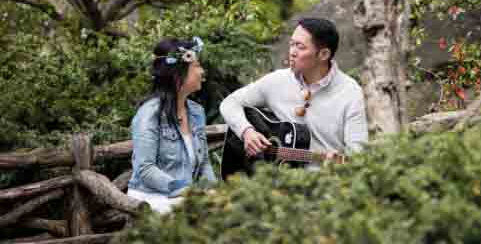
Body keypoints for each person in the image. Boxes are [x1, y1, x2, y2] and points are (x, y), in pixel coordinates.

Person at [220, 18, 367, 164]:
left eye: (300, 47)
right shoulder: (276, 81)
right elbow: (229, 103)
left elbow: (358, 156)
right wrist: (246, 131)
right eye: (292, 44)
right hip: (273, 181)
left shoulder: (350, 92)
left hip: (325, 181)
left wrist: (340, 166)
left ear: (323, 54)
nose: (292, 52)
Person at [127, 37, 217, 214]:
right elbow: (146, 169)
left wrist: (214, 191)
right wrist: (189, 191)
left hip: (183, 198)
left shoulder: (196, 112)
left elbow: (204, 162)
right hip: (152, 199)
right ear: (178, 74)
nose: (202, 71)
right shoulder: (149, 114)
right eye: (197, 66)